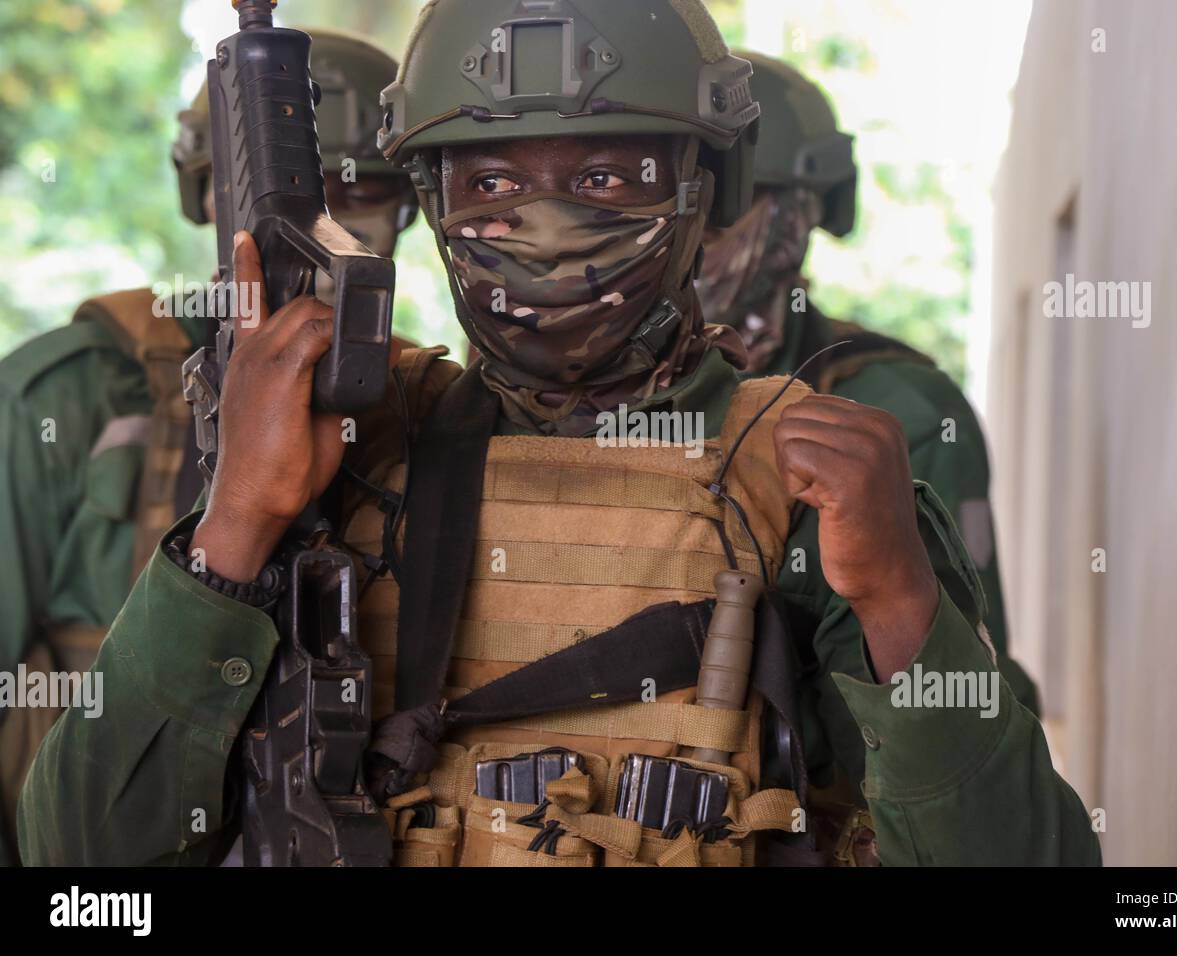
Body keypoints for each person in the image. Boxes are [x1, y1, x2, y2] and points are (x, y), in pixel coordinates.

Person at [19, 0, 1099, 867]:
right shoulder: (333, 456)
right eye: (492, 183)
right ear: (431, 199)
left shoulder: (810, 483)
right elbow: (81, 858)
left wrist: (901, 605)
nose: (540, 226)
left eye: (603, 179)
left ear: (700, 189)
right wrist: (235, 525)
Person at [0, 29, 417, 867]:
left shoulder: (422, 413)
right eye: (290, 208)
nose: (324, 236)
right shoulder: (71, 398)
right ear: (208, 201)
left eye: (361, 196)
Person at [696, 51, 1039, 713]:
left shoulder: (901, 411)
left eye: (734, 206)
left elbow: (969, 692)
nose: (698, 239)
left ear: (803, 214)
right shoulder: (550, 400)